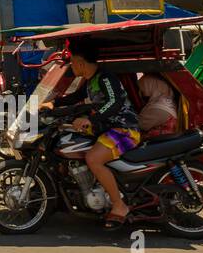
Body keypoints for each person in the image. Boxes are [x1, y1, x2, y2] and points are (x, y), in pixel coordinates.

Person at [41, 41, 140, 229]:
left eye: (71, 62)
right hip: (107, 129)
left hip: (124, 129)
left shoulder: (105, 78)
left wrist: (91, 120)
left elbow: (114, 102)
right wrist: (53, 105)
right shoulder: (91, 79)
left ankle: (119, 206)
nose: (71, 66)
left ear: (80, 62)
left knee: (93, 159)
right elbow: (76, 98)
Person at [137, 72, 180, 139]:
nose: (141, 93)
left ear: (151, 87)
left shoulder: (159, 107)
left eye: (143, 89)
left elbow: (139, 125)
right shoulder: (167, 101)